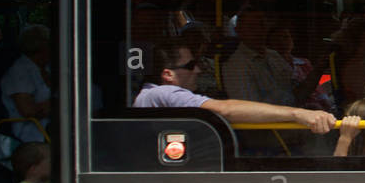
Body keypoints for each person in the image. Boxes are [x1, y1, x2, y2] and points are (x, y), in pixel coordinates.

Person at [136, 40, 338, 134]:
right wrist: (297, 115)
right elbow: (225, 110)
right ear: (167, 74)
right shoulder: (164, 92)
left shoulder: (151, 94)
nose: (197, 70)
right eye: (190, 65)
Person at [0, 24, 52, 143]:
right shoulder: (19, 71)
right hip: (32, 130)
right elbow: (28, 111)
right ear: (41, 47)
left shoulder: (48, 68)